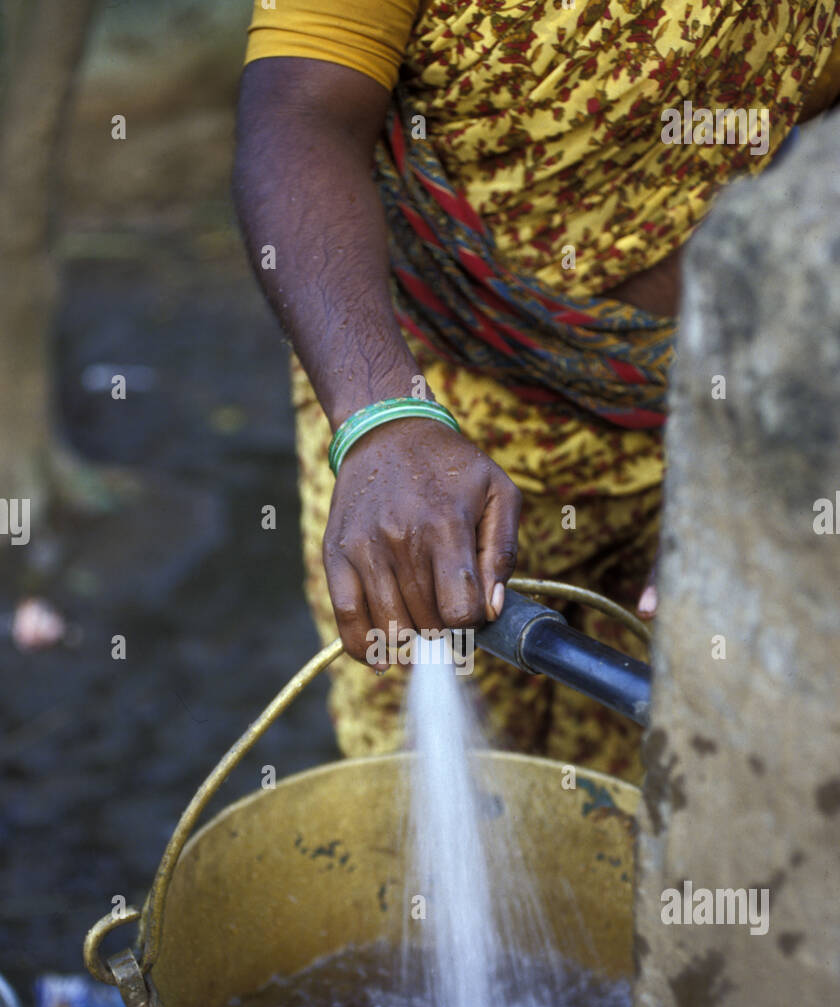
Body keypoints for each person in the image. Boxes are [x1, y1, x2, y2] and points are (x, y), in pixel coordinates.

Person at [234, 1, 840, 780]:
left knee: (680, 792)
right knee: (414, 796)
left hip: (729, 405)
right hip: (427, 423)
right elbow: (301, 109)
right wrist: (384, 419)